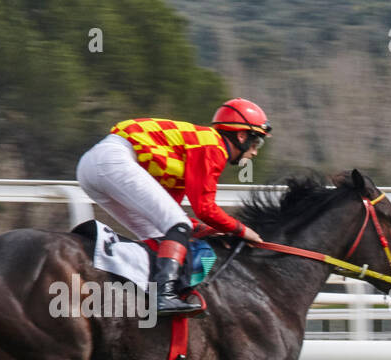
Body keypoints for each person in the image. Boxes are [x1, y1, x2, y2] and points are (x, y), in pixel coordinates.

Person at [76, 98, 269, 314]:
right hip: (113, 160)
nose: (255, 152)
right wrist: (241, 230)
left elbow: (170, 210)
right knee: (177, 226)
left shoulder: (190, 149)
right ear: (241, 136)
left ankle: (141, 294)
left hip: (90, 167)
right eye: (256, 143)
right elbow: (204, 209)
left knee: (163, 232)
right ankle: (164, 296)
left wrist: (209, 230)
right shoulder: (213, 147)